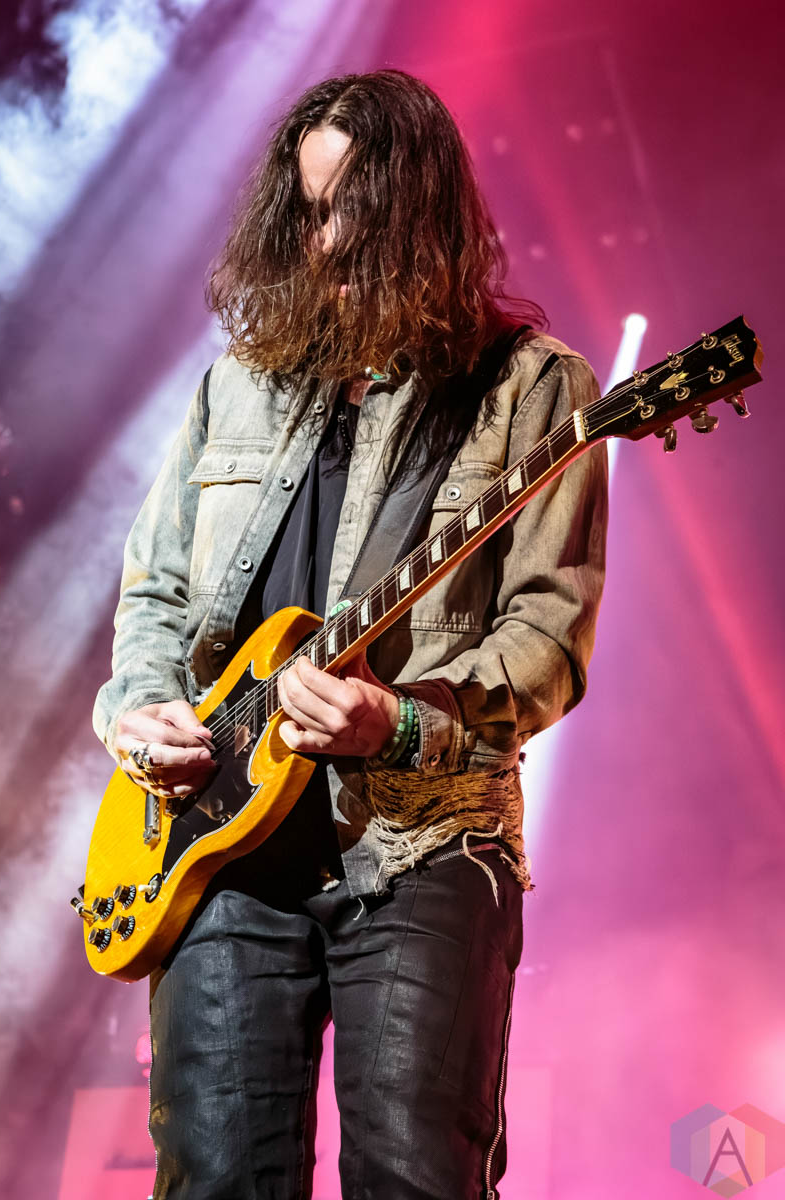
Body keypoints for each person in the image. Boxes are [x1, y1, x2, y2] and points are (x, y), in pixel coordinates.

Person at [93, 69, 608, 1200]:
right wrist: (140, 718)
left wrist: (401, 719)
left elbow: (546, 640)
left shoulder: (531, 391)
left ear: (419, 217)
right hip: (218, 853)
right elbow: (155, 601)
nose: (324, 245)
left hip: (417, 849)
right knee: (215, 1180)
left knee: (415, 1178)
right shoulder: (237, 385)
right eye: (307, 211)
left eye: (351, 216)